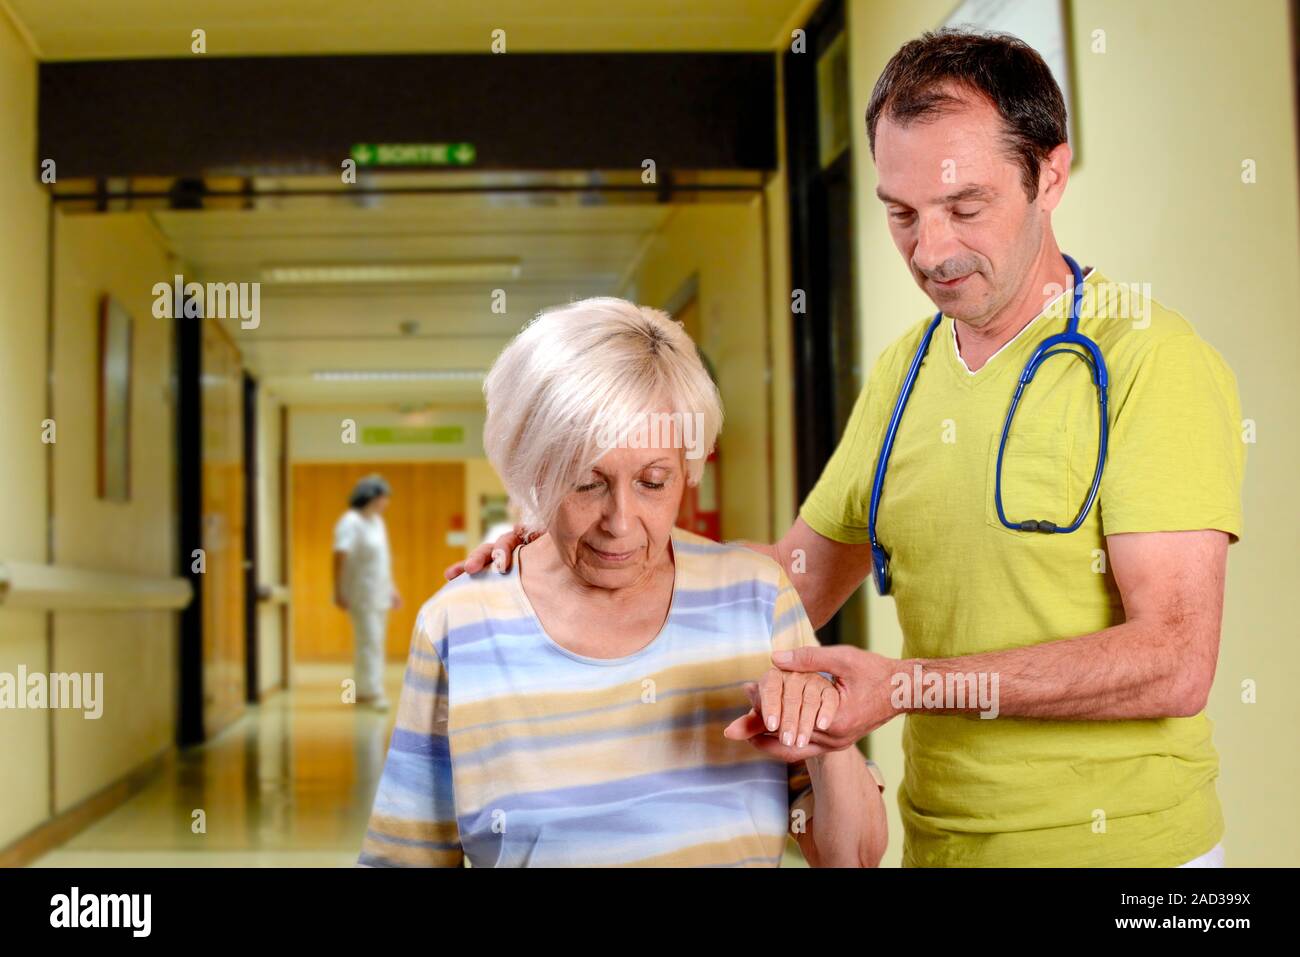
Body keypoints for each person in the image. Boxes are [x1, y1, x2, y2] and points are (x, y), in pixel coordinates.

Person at [451, 31, 1245, 868]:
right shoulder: (907, 369)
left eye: (965, 208)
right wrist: (580, 544)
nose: (930, 252)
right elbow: (797, 574)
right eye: (901, 213)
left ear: (1049, 173)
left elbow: (1174, 661)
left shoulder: (1149, 359)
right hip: (941, 846)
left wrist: (903, 685)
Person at [358, 297, 887, 867]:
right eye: (586, 484)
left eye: (654, 482)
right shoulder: (460, 623)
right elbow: (405, 857)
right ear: (529, 470)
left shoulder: (757, 597)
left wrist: (829, 745)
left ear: (689, 465)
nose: (620, 522)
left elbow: (851, 858)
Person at [334, 474, 402, 711]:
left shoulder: (377, 522)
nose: (386, 503)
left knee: (374, 643)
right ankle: (372, 692)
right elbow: (339, 556)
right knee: (369, 642)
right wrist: (338, 591)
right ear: (370, 497)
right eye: (384, 498)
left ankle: (364, 691)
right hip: (361, 593)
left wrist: (392, 589)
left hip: (380, 593)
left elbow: (382, 561)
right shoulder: (351, 521)